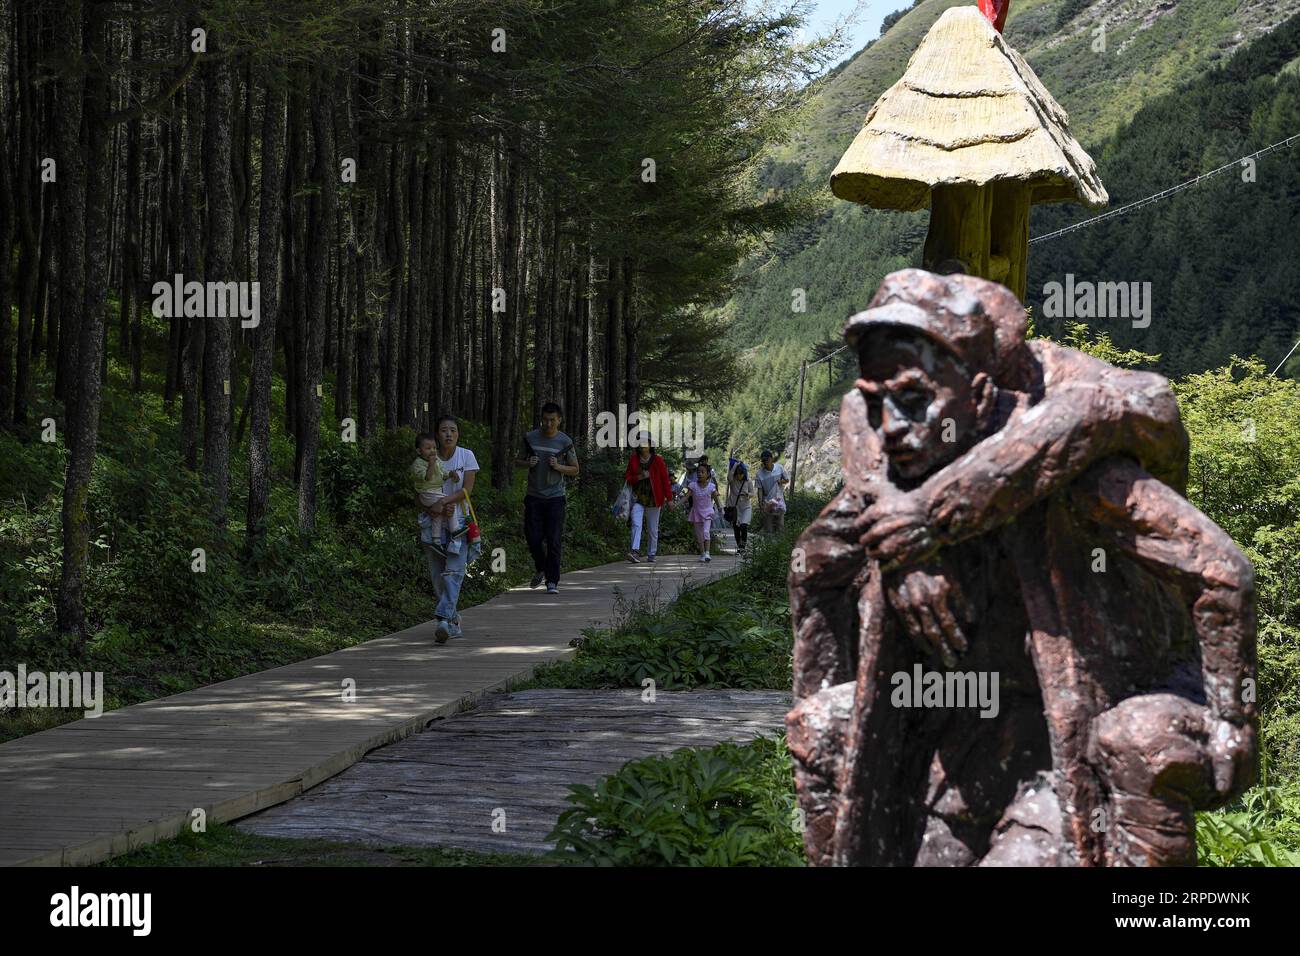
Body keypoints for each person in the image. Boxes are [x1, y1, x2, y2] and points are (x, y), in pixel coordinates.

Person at [415, 415, 479, 644]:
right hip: (432, 523)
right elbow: (418, 490)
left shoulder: (466, 455)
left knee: (454, 573)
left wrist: (444, 503)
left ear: (458, 434)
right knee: (438, 576)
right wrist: (432, 507)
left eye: (453, 430)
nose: (448, 434)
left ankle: (442, 619)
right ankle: (452, 622)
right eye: (443, 430)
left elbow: (466, 490)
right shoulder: (426, 456)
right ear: (436, 435)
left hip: (458, 523)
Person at [515, 401, 579, 593]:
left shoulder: (565, 442)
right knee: (532, 537)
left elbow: (575, 469)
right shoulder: (530, 438)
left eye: (552, 420)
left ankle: (552, 581)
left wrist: (559, 467)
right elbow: (517, 461)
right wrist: (528, 463)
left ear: (559, 420)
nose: (548, 424)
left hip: (555, 497)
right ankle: (541, 566)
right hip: (534, 496)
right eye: (545, 419)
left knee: (553, 539)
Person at [411, 433, 468, 559]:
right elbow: (428, 477)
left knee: (438, 515)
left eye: (434, 448)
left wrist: (451, 474)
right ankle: (455, 530)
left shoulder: (437, 461)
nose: (432, 451)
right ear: (419, 451)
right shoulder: (418, 464)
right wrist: (431, 464)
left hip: (434, 492)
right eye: (428, 448)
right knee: (448, 502)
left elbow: (443, 473)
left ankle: (436, 541)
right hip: (426, 493)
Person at [624, 437, 672, 563]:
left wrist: (670, 498)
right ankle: (635, 551)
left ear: (650, 445)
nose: (642, 445)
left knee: (652, 528)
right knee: (636, 523)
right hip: (637, 498)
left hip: (654, 499)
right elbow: (628, 477)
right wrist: (639, 477)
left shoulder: (658, 460)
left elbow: (665, 480)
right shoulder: (634, 459)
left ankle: (651, 553)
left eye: (645, 443)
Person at [684, 461, 722, 563]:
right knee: (699, 535)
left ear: (707, 474)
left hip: (707, 513)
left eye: (702, 472)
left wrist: (720, 509)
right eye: (698, 472)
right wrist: (675, 505)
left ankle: (708, 553)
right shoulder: (693, 485)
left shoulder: (711, 487)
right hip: (696, 513)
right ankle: (702, 554)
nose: (700, 474)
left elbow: (717, 499)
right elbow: (686, 497)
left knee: (706, 532)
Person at [755, 450, 789, 533]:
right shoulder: (759, 474)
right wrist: (760, 504)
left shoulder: (779, 467)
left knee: (780, 525)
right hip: (767, 502)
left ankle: (781, 543)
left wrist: (780, 482)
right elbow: (759, 490)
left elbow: (787, 480)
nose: (765, 462)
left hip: (779, 500)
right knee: (768, 528)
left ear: (771, 459)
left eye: (767, 460)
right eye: (763, 461)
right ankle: (769, 544)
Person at [725, 462, 755, 551]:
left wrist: (748, 494)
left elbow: (753, 493)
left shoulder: (748, 481)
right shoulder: (732, 481)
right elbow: (728, 477)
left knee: (743, 526)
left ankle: (743, 547)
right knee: (736, 528)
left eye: (741, 474)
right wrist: (734, 466)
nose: (739, 476)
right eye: (737, 474)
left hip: (746, 507)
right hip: (735, 508)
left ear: (744, 473)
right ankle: (739, 547)